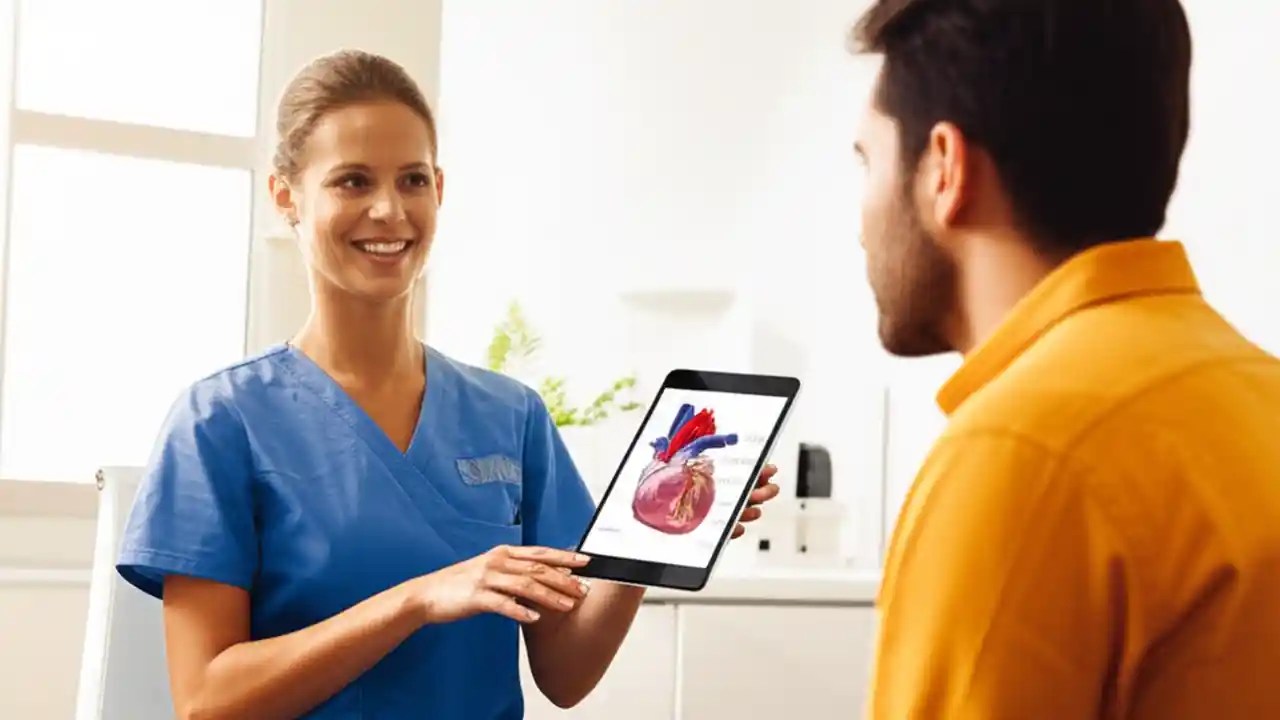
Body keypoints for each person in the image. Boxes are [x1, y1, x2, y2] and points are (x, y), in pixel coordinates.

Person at [115, 49, 780, 720]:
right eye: (352, 181)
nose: (389, 210)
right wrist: (415, 601)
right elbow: (208, 701)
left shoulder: (510, 417)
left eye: (411, 180)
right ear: (286, 194)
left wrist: (650, 542)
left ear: (439, 186)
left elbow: (565, 674)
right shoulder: (222, 420)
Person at [847, 0, 1280, 717]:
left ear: (944, 169)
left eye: (869, 162)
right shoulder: (1258, 394)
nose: (861, 222)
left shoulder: (1021, 452)